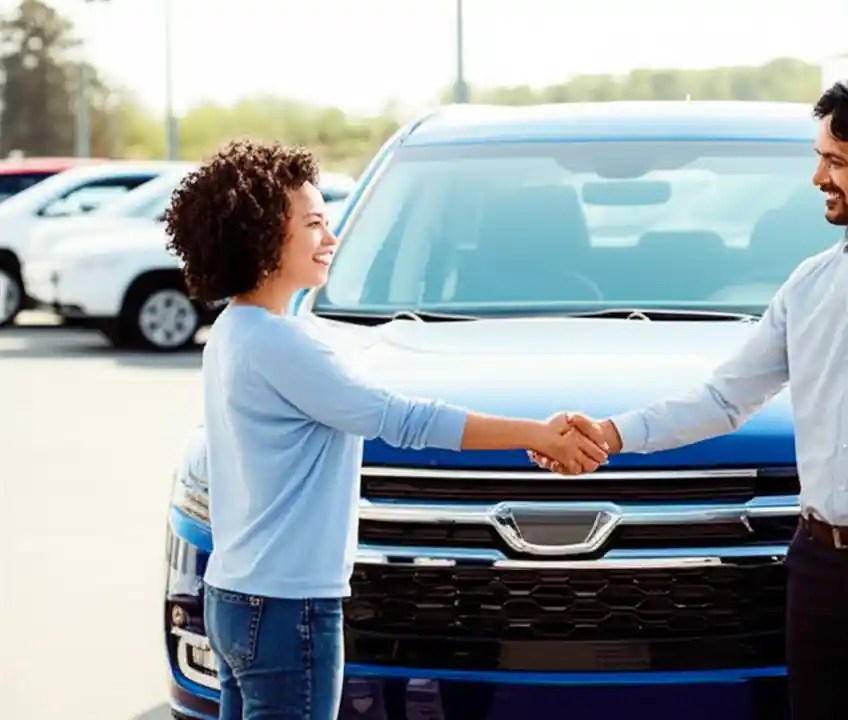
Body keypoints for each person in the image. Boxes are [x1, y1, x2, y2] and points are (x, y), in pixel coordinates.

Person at [532, 78, 848, 720]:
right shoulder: (808, 286)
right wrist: (611, 433)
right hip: (817, 566)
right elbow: (722, 399)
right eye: (820, 157)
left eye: (836, 161)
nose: (818, 176)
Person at [163, 140, 609, 720]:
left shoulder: (233, 332)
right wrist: (537, 434)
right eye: (315, 224)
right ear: (264, 238)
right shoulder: (282, 343)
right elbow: (404, 418)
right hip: (287, 606)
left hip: (233, 594)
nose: (331, 239)